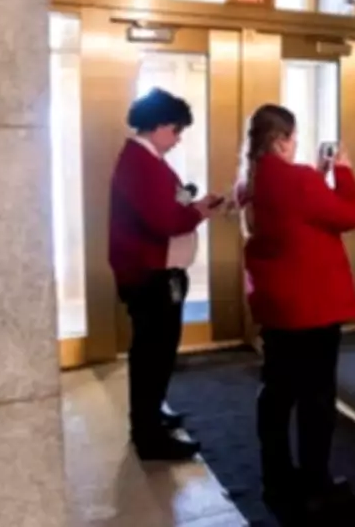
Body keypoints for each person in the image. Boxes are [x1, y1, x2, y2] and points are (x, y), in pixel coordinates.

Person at [235, 104, 355, 521]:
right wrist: (341, 171)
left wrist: (319, 176)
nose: (297, 144)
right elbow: (348, 215)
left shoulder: (250, 183)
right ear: (281, 140)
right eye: (293, 137)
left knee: (276, 393)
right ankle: (315, 483)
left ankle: (277, 478)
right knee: (316, 398)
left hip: (277, 307)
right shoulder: (300, 179)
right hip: (313, 307)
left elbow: (299, 217)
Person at [108, 87, 221, 461]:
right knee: (153, 353)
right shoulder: (141, 163)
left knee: (155, 351)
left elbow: (167, 208)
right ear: (158, 126)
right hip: (149, 274)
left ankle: (152, 414)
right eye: (176, 131)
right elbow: (163, 220)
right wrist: (198, 212)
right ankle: (148, 433)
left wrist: (193, 205)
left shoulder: (144, 159)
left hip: (153, 271)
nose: (177, 139)